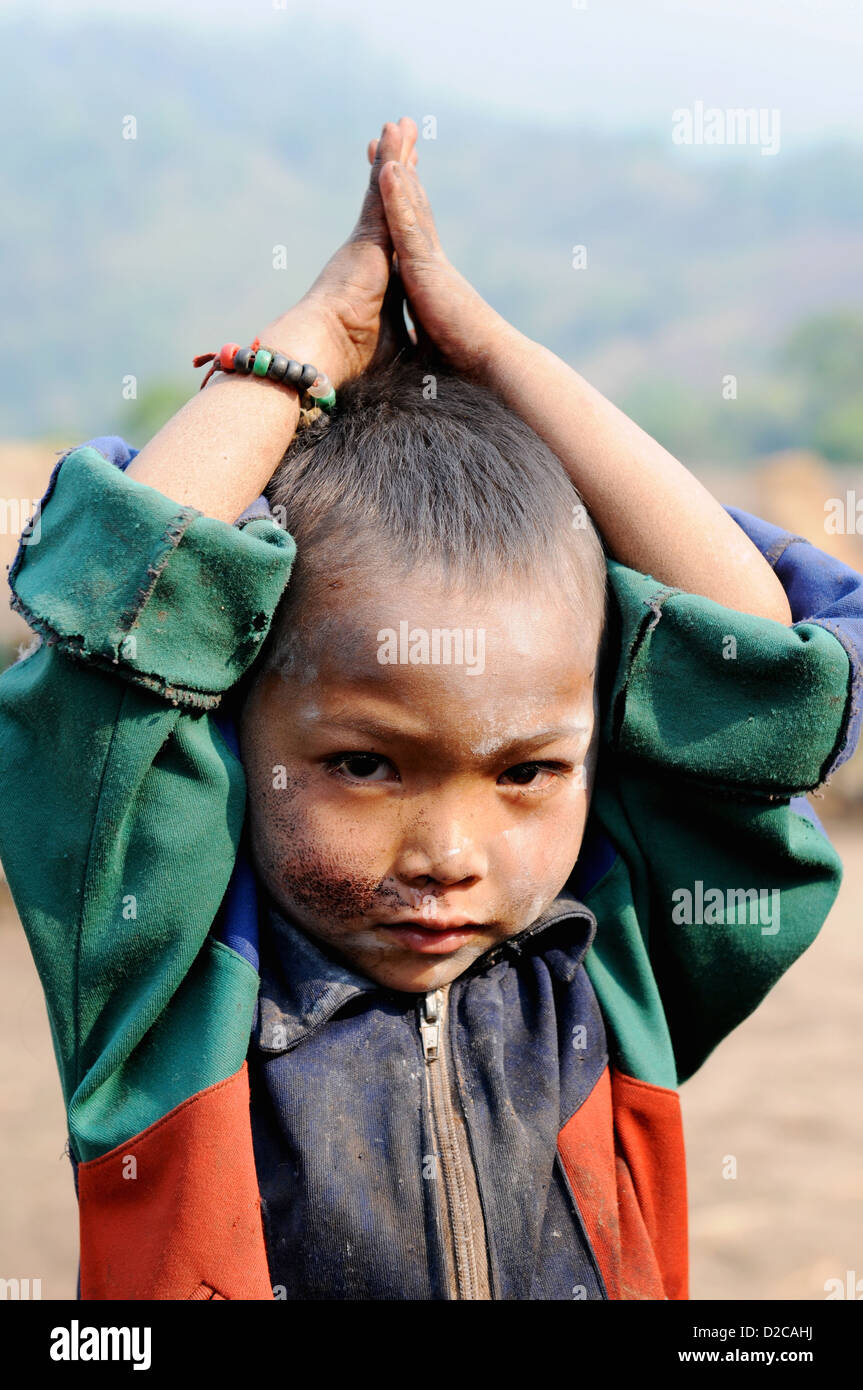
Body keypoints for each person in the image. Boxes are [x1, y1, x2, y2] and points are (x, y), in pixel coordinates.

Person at [1, 119, 861, 1301]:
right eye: (363, 765)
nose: (451, 856)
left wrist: (499, 358)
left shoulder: (616, 968)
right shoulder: (161, 976)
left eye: (526, 773)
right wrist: (314, 341)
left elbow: (759, 665)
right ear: (226, 724)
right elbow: (114, 625)